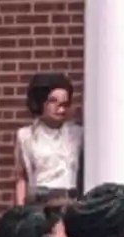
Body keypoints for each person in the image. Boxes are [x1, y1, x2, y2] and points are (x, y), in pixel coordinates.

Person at [14, 72, 83, 205]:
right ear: (41, 102)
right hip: (39, 202)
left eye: (64, 103)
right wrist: (21, 211)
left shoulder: (77, 134)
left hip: (69, 201)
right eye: (53, 101)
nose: (60, 108)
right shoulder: (25, 136)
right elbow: (21, 178)